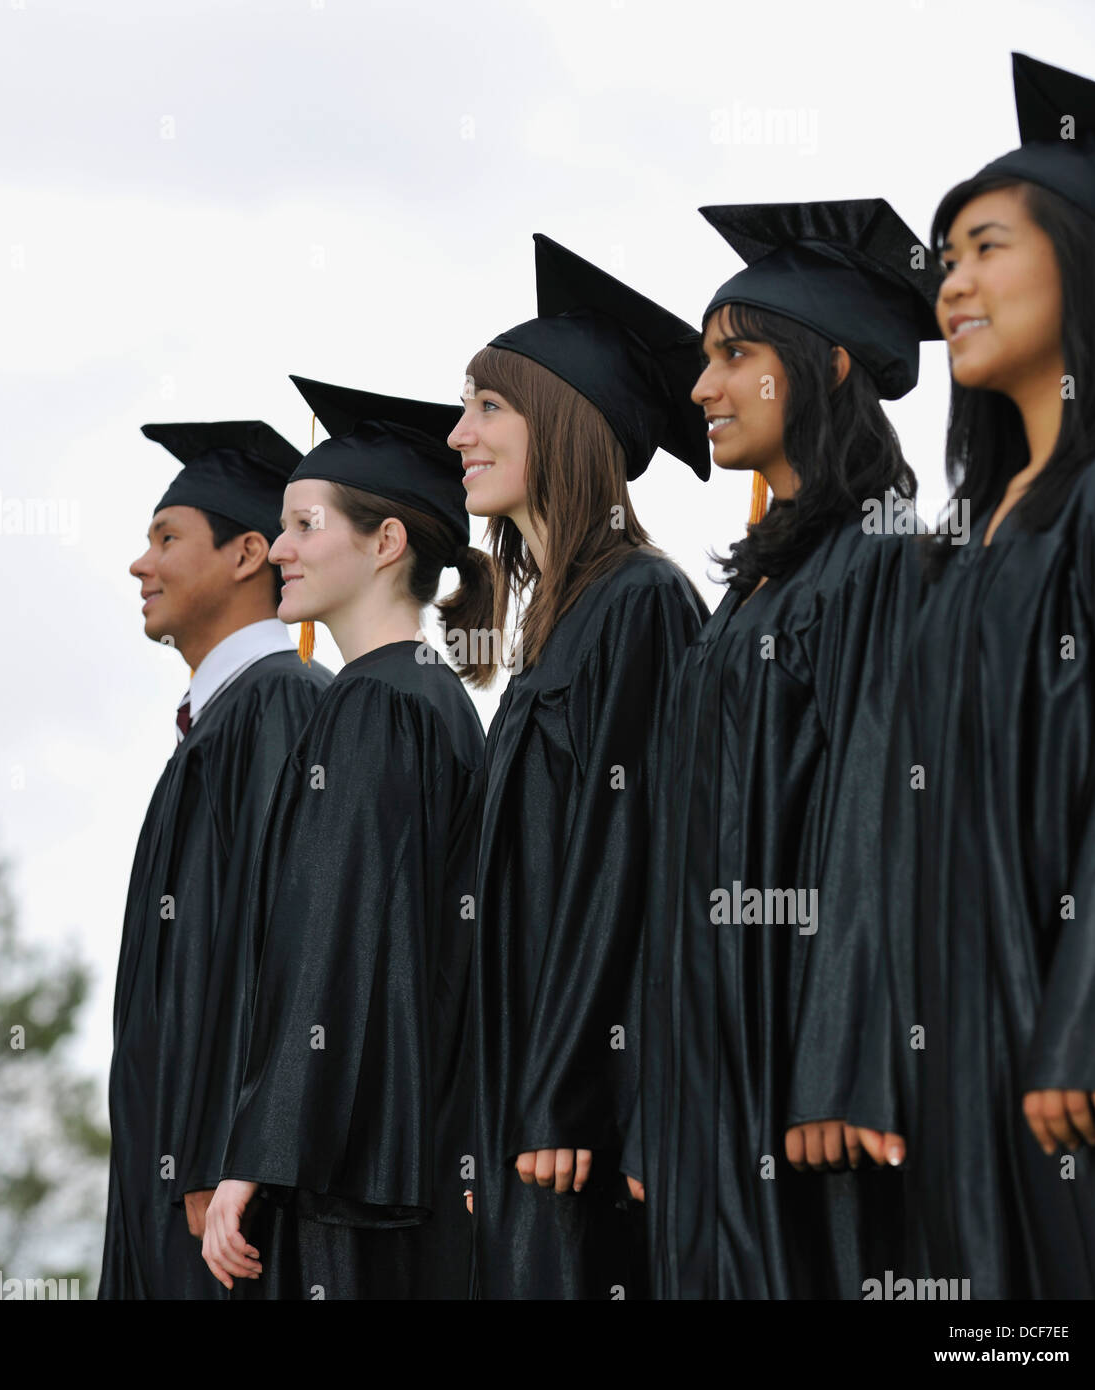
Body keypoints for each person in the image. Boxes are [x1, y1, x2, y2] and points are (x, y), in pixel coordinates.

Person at [630, 199, 939, 1299]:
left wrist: (846, 1059)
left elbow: (882, 808)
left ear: (830, 362)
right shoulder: (750, 591)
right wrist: (656, 1102)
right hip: (722, 1076)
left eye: (735, 354)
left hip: (810, 1074)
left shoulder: (888, 558)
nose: (703, 386)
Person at [849, 53, 1095, 1298]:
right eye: (945, 257)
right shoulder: (961, 545)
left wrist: (1090, 1013)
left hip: (1073, 1051)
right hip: (962, 1048)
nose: (951, 282)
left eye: (987, 247)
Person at [450, 234, 711, 1299]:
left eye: (487, 407)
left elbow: (631, 863)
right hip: (526, 1103)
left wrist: (570, 1092)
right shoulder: (554, 632)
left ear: (564, 425)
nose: (456, 432)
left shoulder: (642, 603)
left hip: (582, 1117)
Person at [199, 377, 490, 1299]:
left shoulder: (377, 706)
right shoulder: (427, 696)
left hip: (347, 1179)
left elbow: (338, 941)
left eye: (305, 524)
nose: (277, 548)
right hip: (403, 1152)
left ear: (387, 543)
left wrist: (260, 1151)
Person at [100, 421, 332, 1299]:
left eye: (166, 539)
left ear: (246, 555)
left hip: (220, 1202)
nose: (140, 565)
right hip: (171, 1177)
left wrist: (217, 1149)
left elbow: (277, 941)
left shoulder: (279, 706)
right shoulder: (223, 719)